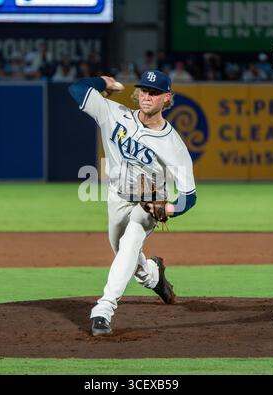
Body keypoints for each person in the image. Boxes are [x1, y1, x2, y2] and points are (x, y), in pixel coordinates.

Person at [69, 70, 197, 336]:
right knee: (123, 251)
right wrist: (103, 82)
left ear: (167, 98)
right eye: (143, 91)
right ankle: (153, 276)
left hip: (148, 201)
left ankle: (103, 309)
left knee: (130, 243)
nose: (146, 96)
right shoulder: (113, 113)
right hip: (116, 196)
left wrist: (169, 209)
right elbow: (78, 90)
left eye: (154, 92)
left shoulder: (174, 145)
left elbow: (189, 196)